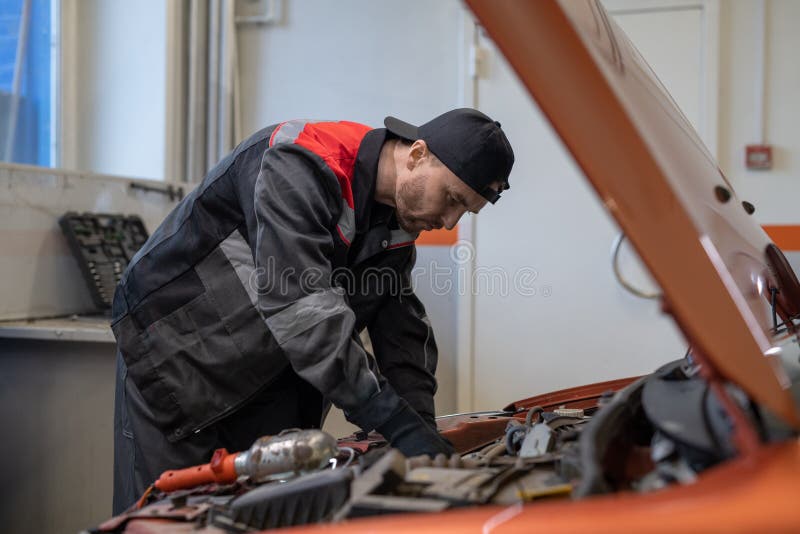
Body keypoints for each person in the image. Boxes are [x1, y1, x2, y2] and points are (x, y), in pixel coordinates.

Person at [111, 108, 514, 513]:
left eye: (465, 211)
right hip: (178, 361)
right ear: (417, 154)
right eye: (452, 199)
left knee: (265, 513)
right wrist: (396, 423)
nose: (448, 221)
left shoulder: (394, 223)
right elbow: (301, 310)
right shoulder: (300, 161)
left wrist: (422, 435)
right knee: (172, 516)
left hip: (266, 370)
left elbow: (401, 333)